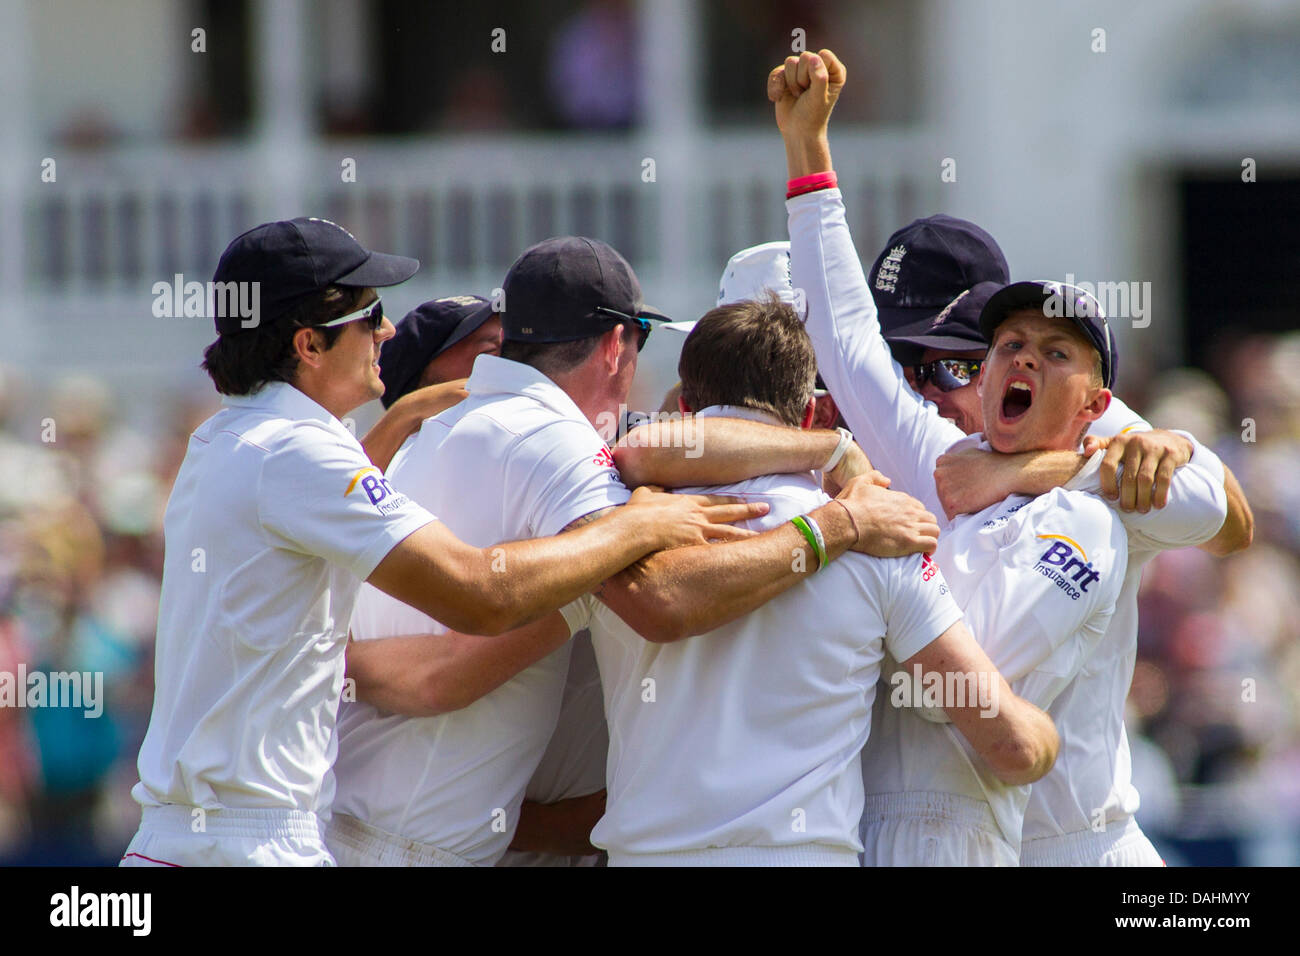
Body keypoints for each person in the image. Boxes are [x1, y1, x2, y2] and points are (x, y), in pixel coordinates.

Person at [121, 217, 758, 867]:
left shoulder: (231, 437)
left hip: (206, 836)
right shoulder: (298, 449)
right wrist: (637, 526)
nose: (388, 331)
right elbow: (481, 595)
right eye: (370, 315)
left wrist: (399, 420)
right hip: (243, 845)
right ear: (309, 345)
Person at [329, 235, 938, 867]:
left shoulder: (438, 431)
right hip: (412, 846)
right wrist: (834, 522)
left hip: (356, 819)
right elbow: (661, 600)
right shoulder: (560, 443)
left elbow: (649, 448)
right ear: (616, 344)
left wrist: (828, 449)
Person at [586, 296, 1059, 867]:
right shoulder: (883, 538)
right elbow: (1011, 746)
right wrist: (1047, 737)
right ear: (811, 415)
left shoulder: (617, 527)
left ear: (684, 406)